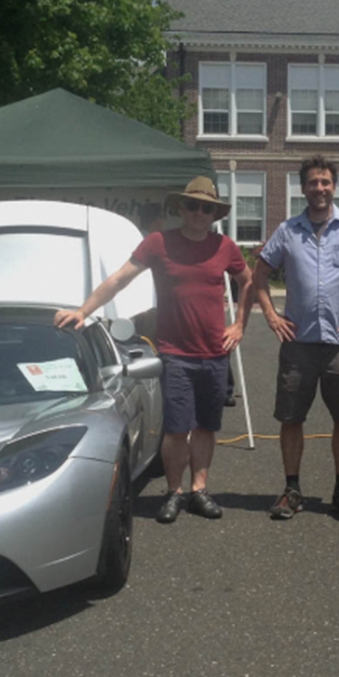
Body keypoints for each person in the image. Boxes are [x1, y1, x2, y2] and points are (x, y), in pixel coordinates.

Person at [55, 176, 252, 524]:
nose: (198, 213)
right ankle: (175, 492)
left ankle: (199, 490)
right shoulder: (159, 243)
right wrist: (83, 312)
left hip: (214, 353)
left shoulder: (225, 247)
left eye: (206, 207)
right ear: (181, 208)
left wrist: (239, 326)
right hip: (175, 353)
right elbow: (119, 278)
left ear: (214, 213)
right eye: (192, 205)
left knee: (207, 426)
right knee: (177, 429)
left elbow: (247, 280)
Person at [244, 155, 339, 521]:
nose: (319, 188)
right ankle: (292, 490)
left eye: (325, 182)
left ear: (334, 186)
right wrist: (272, 317)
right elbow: (258, 275)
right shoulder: (288, 231)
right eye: (313, 182)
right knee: (291, 418)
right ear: (303, 187)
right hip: (299, 345)